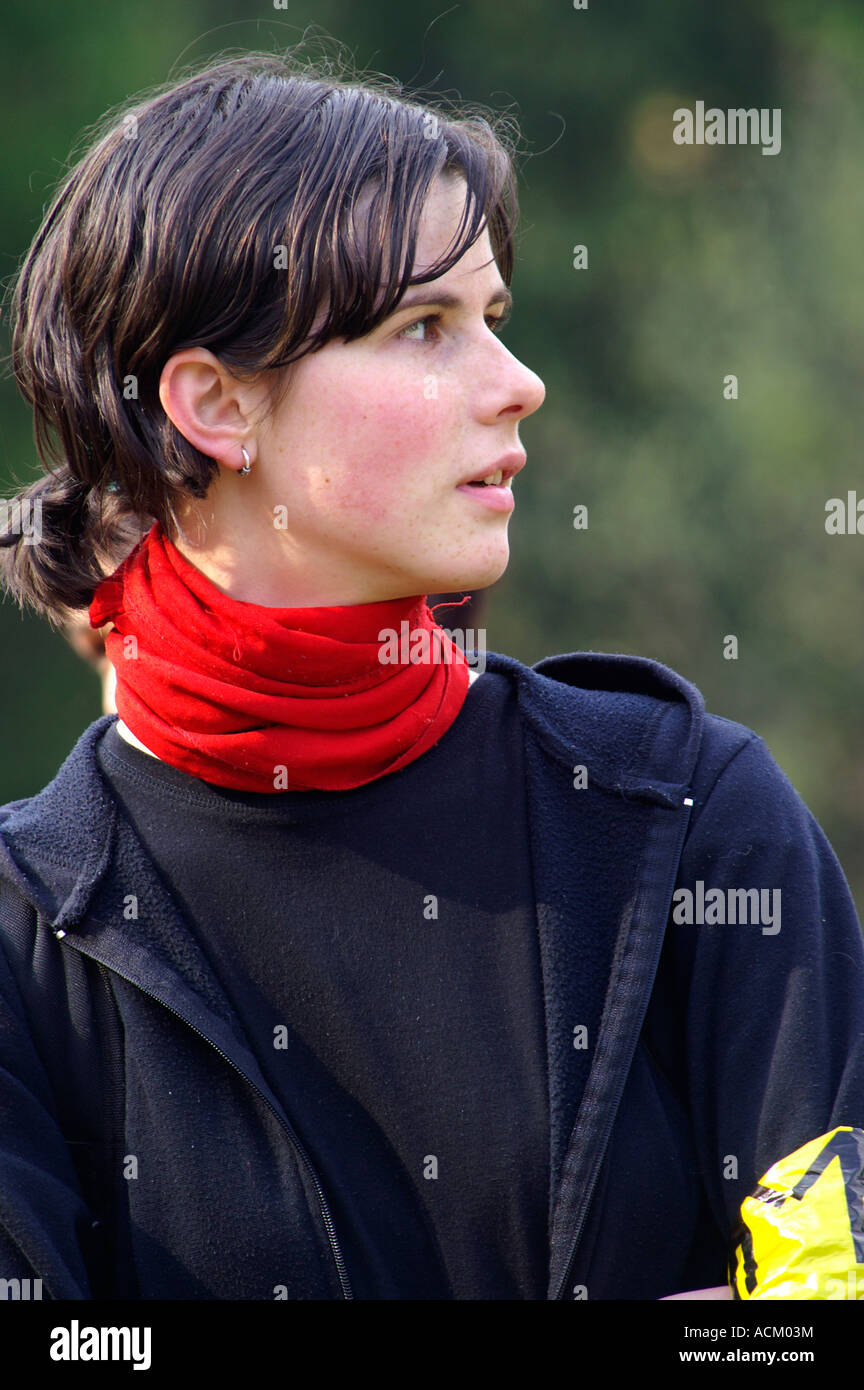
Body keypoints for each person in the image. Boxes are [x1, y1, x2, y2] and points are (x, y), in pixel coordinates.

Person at [1, 48, 863, 1303]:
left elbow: (821, 1301)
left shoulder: (692, 817)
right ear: (214, 406)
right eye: (424, 328)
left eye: (494, 322)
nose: (520, 386)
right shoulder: (28, 932)